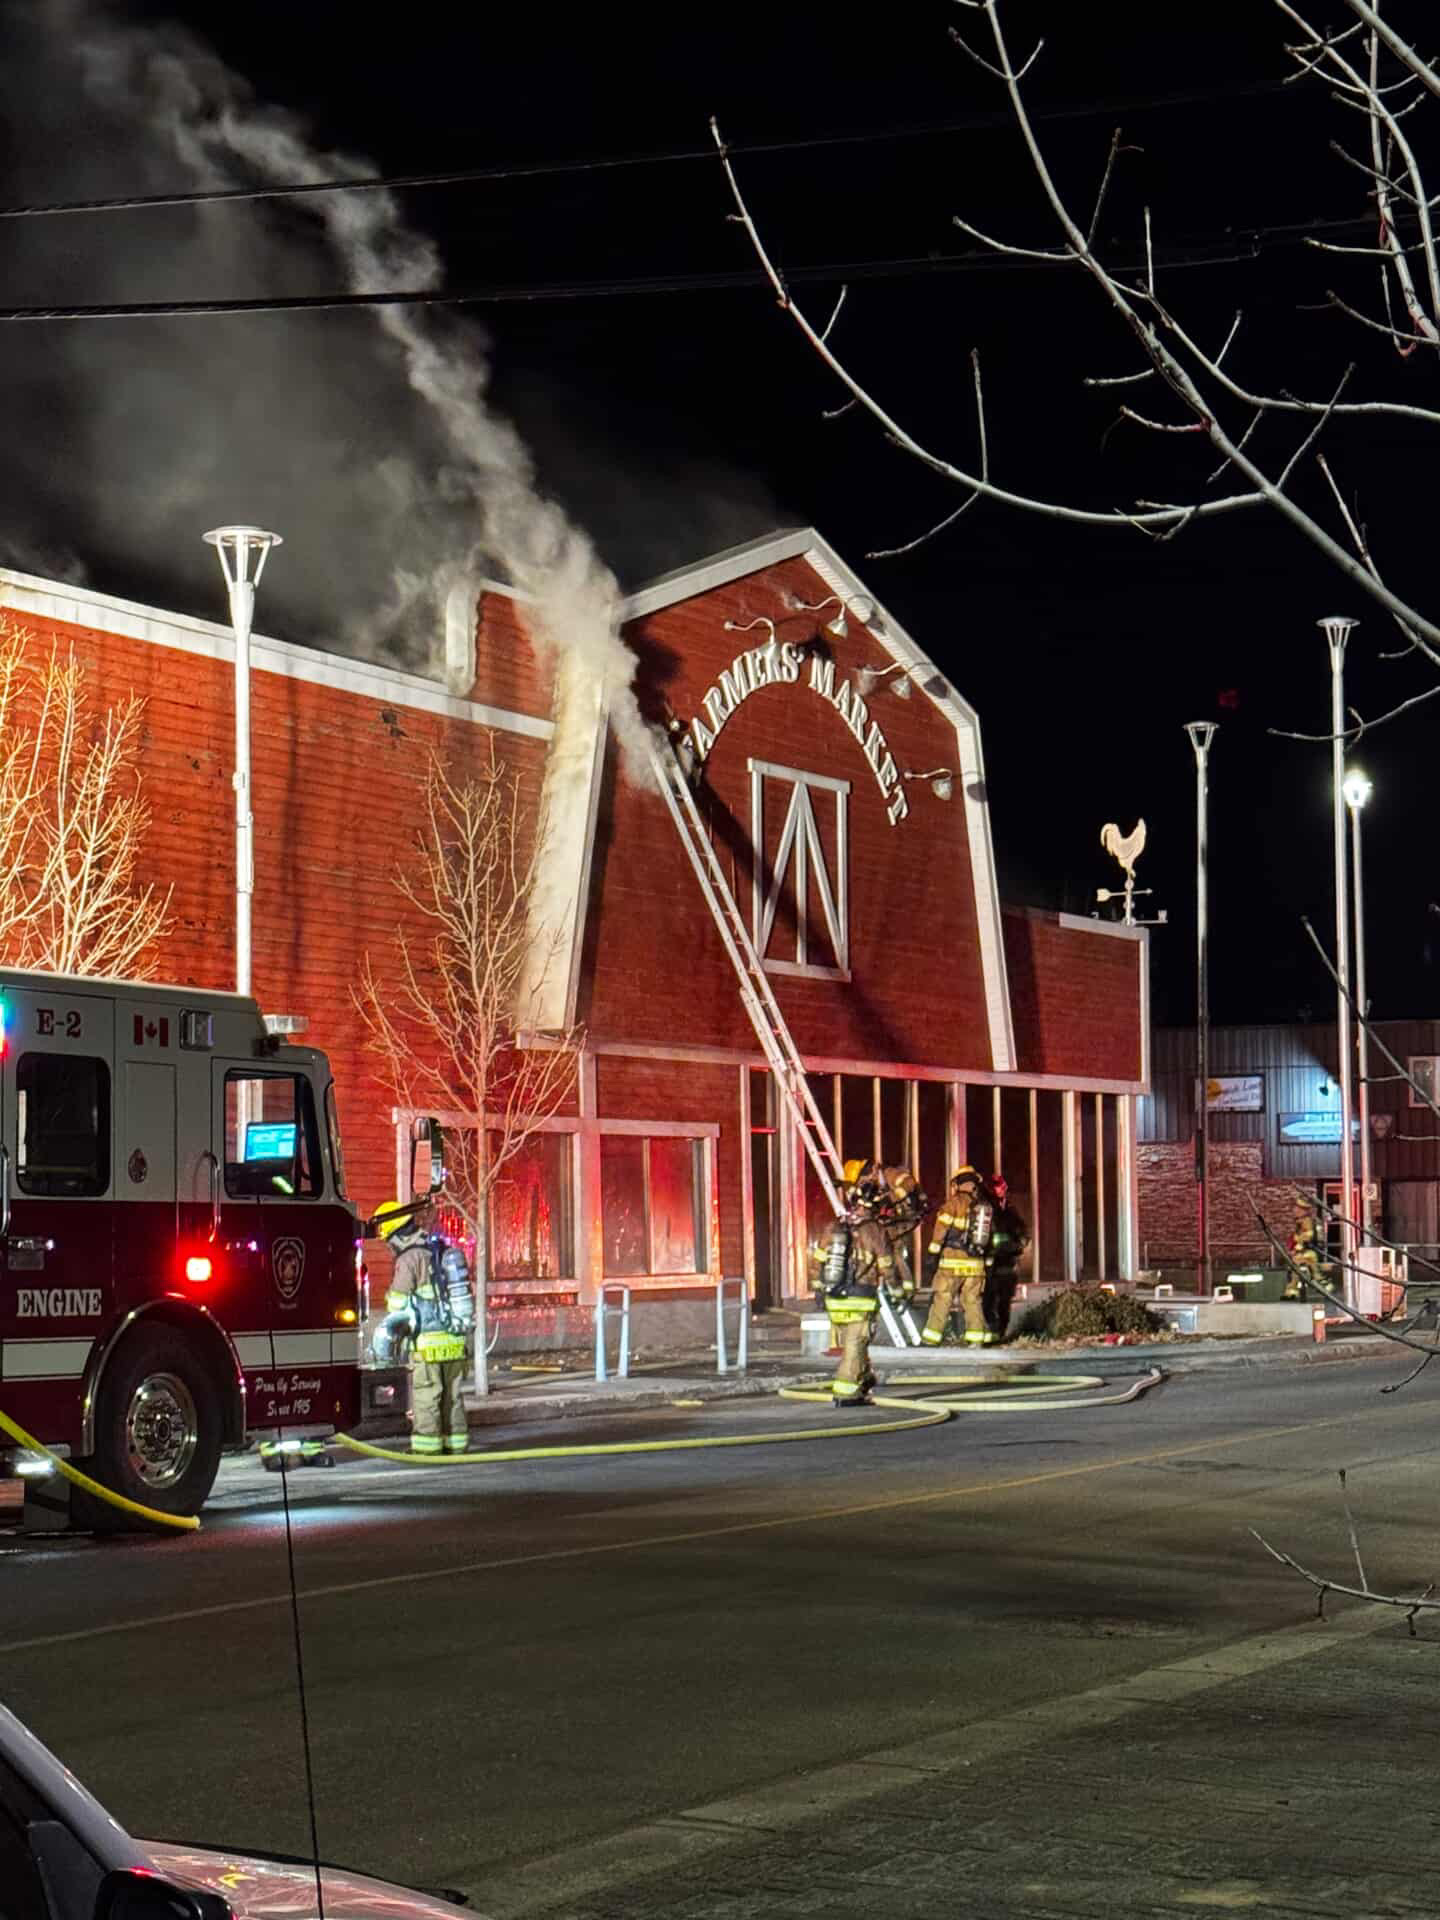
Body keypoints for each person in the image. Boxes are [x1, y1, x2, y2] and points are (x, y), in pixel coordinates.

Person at [814, 1159, 923, 1407]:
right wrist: (898, 1294)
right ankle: (845, 1393)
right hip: (860, 1299)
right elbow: (887, 1267)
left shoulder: (835, 1226)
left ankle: (863, 1381)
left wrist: (818, 1290)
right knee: (855, 1346)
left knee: (856, 1344)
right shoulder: (874, 1231)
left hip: (834, 1299)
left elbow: (817, 1262)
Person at [372, 1198, 476, 1455]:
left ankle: (427, 1448)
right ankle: (456, 1444)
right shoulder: (438, 1248)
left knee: (427, 1395)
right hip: (455, 1340)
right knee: (453, 1397)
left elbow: (397, 1304)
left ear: (394, 1234)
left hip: (428, 1345)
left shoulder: (409, 1259)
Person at [922, 1166, 994, 1346]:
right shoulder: (983, 1208)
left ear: (957, 1184)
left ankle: (930, 1340)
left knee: (943, 1298)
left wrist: (932, 1254)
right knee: (972, 1301)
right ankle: (976, 1340)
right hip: (976, 1264)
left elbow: (940, 1232)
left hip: (952, 1264)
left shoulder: (951, 1205)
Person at [982, 1174, 1030, 1342]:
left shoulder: (1009, 1210)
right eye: (998, 1186)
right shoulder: (986, 1209)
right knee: (987, 1300)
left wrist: (1019, 1245)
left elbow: (1023, 1232)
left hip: (1007, 1264)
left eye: (1003, 1186)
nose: (1002, 1189)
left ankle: (999, 1334)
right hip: (990, 1265)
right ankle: (991, 1333)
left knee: (1004, 1301)